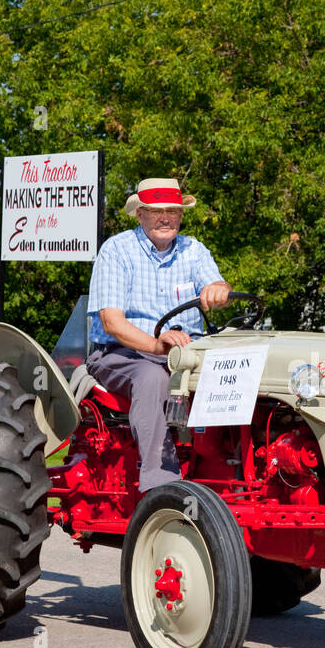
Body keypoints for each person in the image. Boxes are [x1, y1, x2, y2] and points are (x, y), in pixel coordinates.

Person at [86, 177, 231, 491]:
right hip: (121, 353)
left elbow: (216, 285)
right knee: (153, 378)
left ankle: (230, 474)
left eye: (173, 211)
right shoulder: (117, 250)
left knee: (235, 370)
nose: (165, 217)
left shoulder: (193, 251)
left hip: (186, 355)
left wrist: (219, 290)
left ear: (181, 215)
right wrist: (156, 345)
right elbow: (112, 323)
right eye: (156, 211)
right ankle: (159, 484)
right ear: (140, 214)